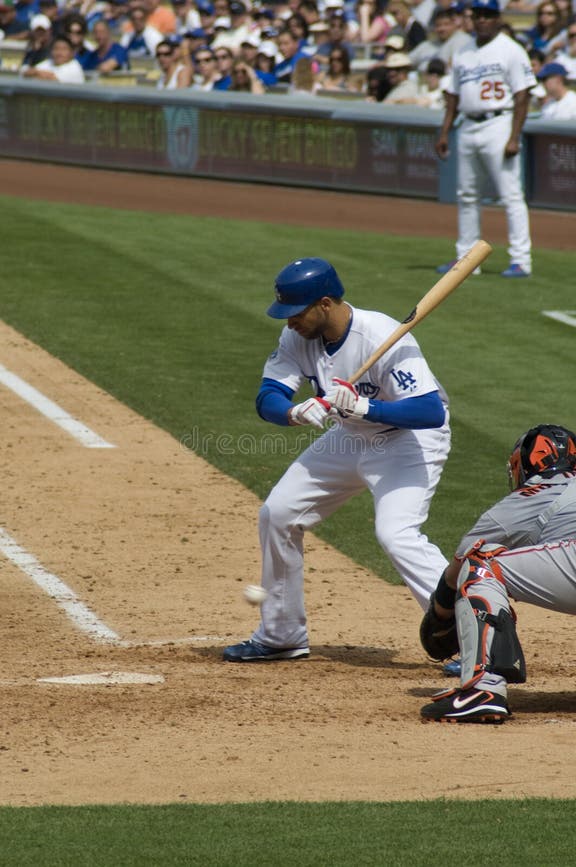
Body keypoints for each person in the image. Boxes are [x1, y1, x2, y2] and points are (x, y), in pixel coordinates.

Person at [222, 257, 451, 662]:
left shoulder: (381, 334)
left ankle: (475, 640)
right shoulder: (296, 338)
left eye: (296, 312)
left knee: (396, 534)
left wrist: (368, 408)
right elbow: (267, 396)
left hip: (408, 443)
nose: (289, 321)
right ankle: (281, 635)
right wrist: (292, 412)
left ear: (324, 303)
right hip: (350, 437)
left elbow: (430, 412)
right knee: (278, 513)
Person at [420, 424, 576, 724]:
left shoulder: (534, 493)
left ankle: (483, 690)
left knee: (481, 564)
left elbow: (459, 566)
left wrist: (439, 617)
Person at [435, 0, 536, 279]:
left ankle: (520, 260)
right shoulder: (464, 51)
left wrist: (514, 136)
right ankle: (467, 260)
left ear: (497, 18)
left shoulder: (511, 50)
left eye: (487, 15)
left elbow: (522, 95)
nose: (482, 20)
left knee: (511, 194)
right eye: (477, 15)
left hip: (499, 122)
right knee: (466, 195)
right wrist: (444, 132)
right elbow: (453, 96)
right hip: (468, 124)